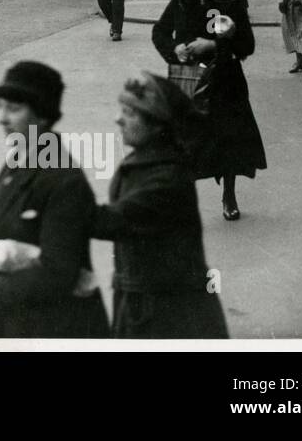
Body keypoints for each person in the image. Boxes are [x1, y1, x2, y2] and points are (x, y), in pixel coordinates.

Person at [0, 62, 110, 338]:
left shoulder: (63, 179)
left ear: (42, 116)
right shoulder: (19, 159)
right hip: (20, 321)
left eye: (14, 109)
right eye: (2, 107)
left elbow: (58, 274)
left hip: (57, 327)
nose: (2, 118)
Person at [91, 73, 230, 338]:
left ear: (156, 125)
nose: (118, 119)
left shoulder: (168, 178)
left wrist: (57, 193)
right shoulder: (143, 161)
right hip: (142, 303)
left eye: (130, 113)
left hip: (170, 314)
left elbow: (115, 219)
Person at [151, 0, 265, 220]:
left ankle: (229, 195)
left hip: (224, 80)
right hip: (188, 80)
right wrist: (175, 48)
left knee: (227, 140)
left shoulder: (230, 1)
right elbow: (159, 32)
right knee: (184, 141)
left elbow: (246, 45)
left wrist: (212, 45)